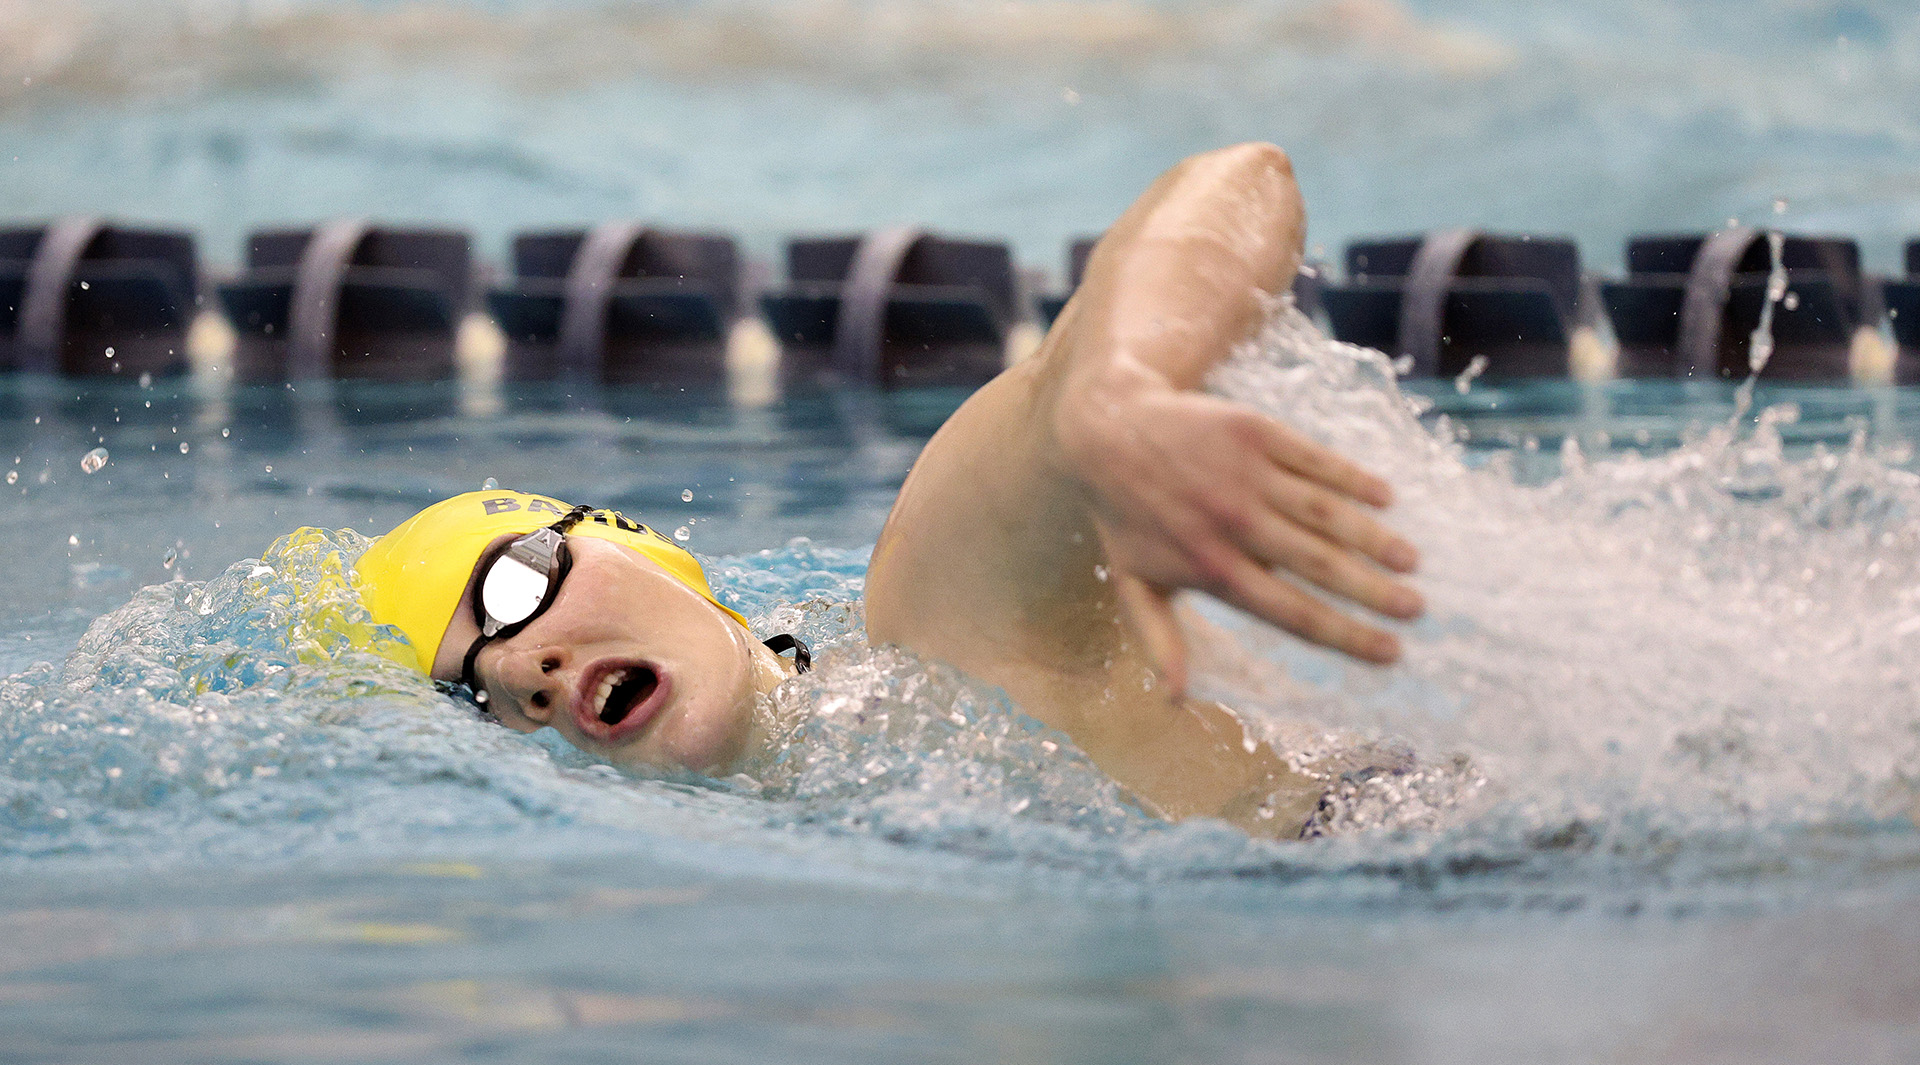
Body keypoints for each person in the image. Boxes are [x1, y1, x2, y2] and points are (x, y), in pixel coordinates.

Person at [354, 143, 1425, 839]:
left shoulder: (940, 634)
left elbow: (1244, 181)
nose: (516, 674)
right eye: (473, 693)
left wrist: (1120, 388)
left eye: (510, 593)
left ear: (635, 544)